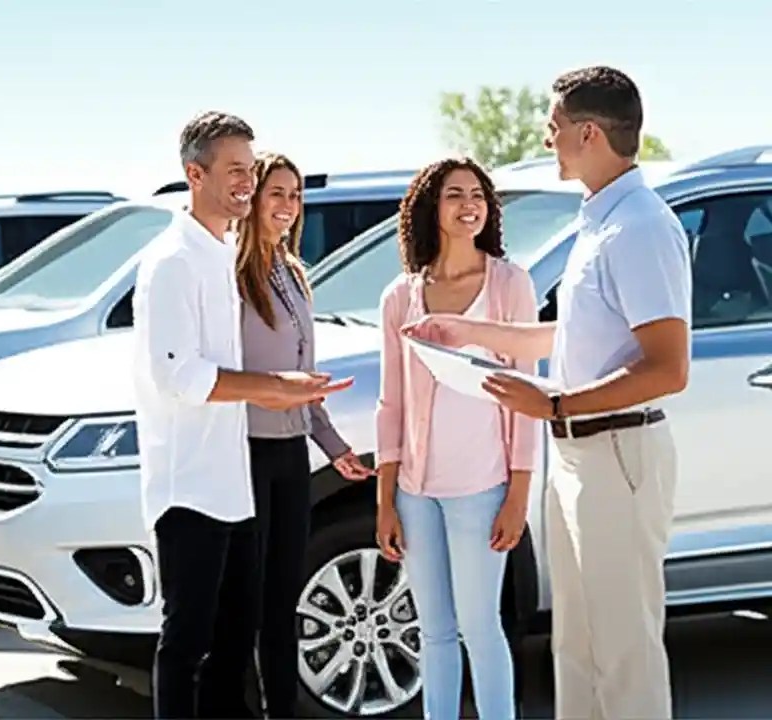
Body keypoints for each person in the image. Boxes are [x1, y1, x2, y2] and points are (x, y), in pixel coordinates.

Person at [403, 66, 691, 720]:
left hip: (616, 454)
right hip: (580, 458)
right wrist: (470, 330)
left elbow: (668, 368)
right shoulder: (601, 219)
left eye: (555, 127)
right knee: (579, 648)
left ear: (588, 133)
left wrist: (553, 406)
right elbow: (580, 337)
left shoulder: (640, 227)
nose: (547, 136)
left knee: (624, 652)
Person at [131, 110, 355, 718]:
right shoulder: (172, 262)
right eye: (236, 171)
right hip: (189, 488)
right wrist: (273, 388)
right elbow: (177, 375)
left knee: (231, 647)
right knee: (188, 646)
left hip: (233, 485)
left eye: (250, 171)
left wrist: (292, 401)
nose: (247, 184)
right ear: (193, 174)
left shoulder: (220, 252)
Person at [373, 156, 539, 720]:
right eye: (454, 195)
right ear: (431, 208)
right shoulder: (400, 296)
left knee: (480, 625)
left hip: (483, 487)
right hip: (416, 494)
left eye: (478, 194)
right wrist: (386, 499)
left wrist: (517, 495)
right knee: (435, 632)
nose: (469, 204)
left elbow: (526, 400)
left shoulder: (510, 284)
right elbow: (390, 402)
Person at [233, 151, 371, 718]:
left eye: (294, 196)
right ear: (253, 199)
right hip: (244, 453)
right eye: (276, 194)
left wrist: (336, 449)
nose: (288, 206)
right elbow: (230, 376)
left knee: (283, 600)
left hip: (291, 456)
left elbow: (303, 382)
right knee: (245, 600)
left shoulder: (294, 273)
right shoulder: (231, 276)